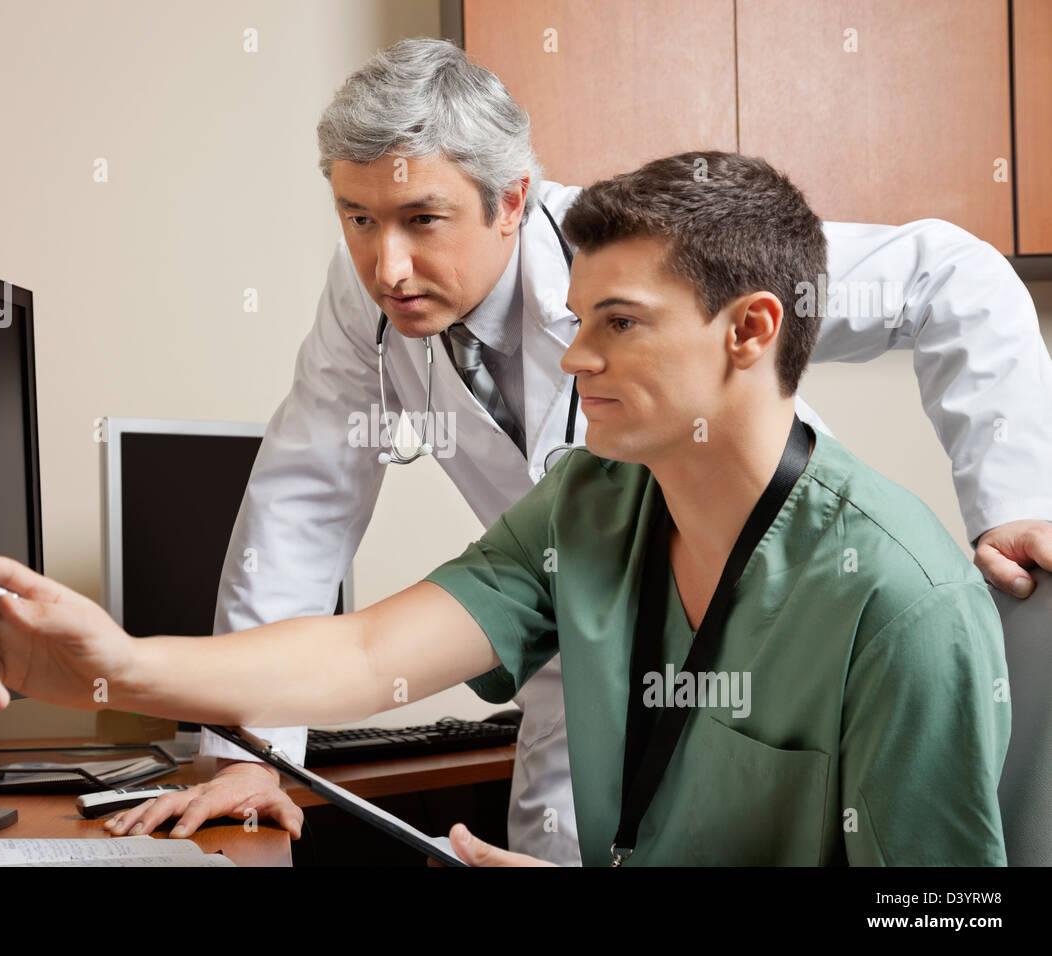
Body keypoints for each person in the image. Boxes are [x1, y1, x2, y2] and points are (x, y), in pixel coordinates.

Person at [0, 151, 1010, 866]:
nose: (573, 353)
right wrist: (106, 663)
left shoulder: (900, 600)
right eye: (576, 316)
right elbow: (363, 652)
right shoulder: (587, 506)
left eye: (619, 324)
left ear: (748, 330)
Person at [142, 38, 1051, 864]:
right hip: (581, 644)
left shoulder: (659, 260)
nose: (386, 268)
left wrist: (1018, 500)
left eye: (421, 219)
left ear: (511, 201)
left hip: (777, 624)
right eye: (358, 218)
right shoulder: (555, 489)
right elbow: (306, 516)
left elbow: (948, 274)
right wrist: (245, 752)